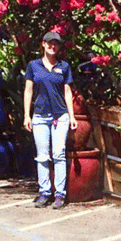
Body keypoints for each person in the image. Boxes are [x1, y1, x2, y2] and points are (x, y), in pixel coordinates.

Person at [24, 31, 77, 209]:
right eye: (49, 43)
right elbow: (28, 90)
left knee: (59, 154)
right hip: (40, 116)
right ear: (43, 44)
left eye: (56, 44)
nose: (52, 46)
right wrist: (27, 115)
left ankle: (60, 194)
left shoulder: (64, 66)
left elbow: (67, 92)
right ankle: (44, 192)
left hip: (59, 116)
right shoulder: (34, 65)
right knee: (42, 156)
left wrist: (72, 116)